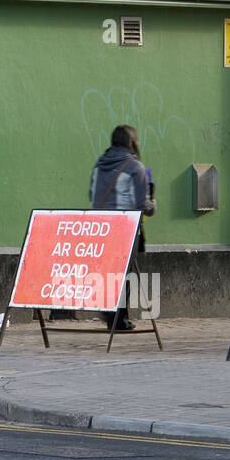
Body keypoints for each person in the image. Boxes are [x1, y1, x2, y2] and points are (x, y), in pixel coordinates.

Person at [89, 124, 156, 331]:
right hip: (125, 228)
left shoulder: (99, 165)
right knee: (124, 273)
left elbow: (92, 196)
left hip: (101, 226)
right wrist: (153, 204)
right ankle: (119, 319)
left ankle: (110, 314)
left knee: (107, 271)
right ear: (132, 142)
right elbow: (143, 205)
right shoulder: (136, 168)